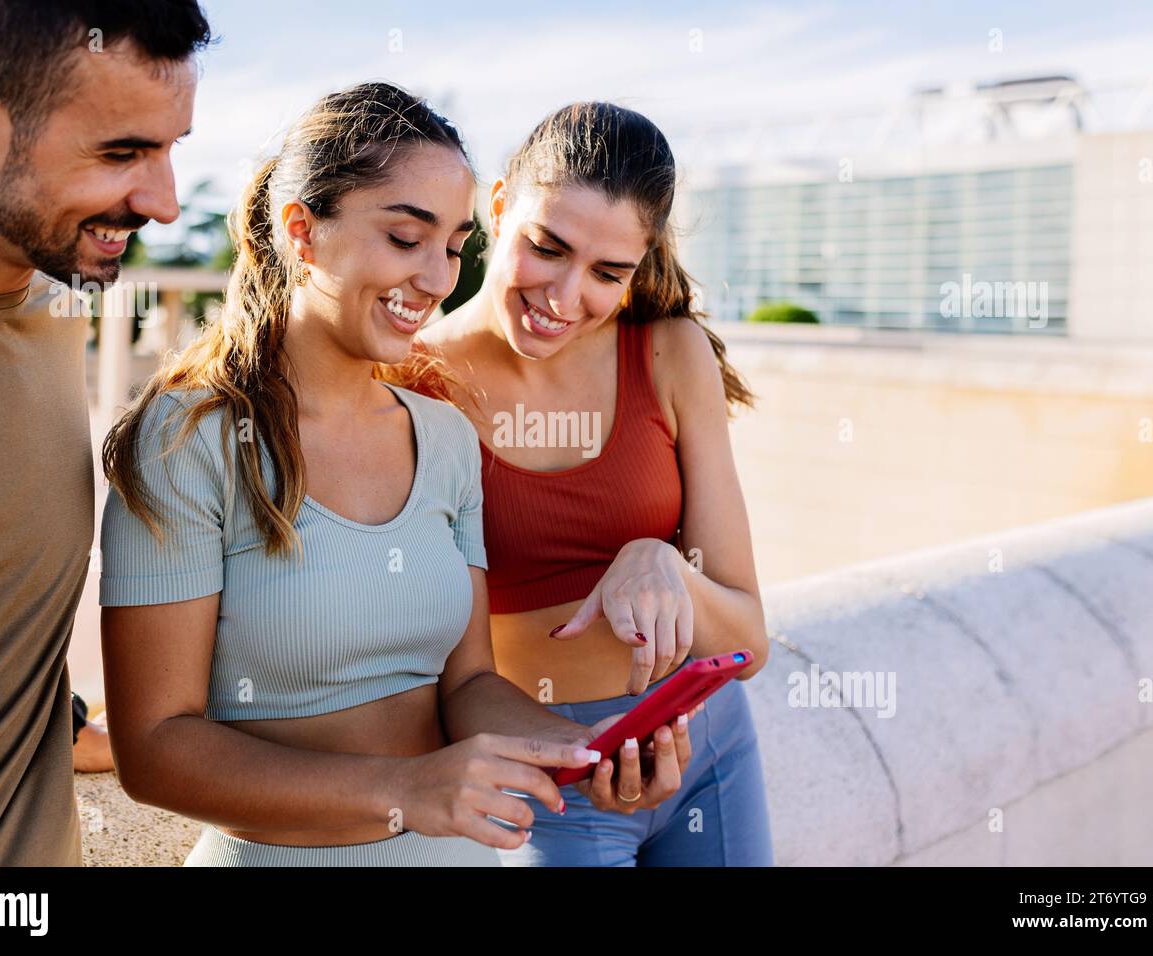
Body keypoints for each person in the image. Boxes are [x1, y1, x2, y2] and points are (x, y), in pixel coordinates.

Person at [97, 83, 700, 867]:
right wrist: (404, 790)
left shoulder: (446, 437)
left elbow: (469, 683)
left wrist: (581, 747)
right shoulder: (187, 440)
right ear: (303, 232)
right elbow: (154, 749)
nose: (438, 279)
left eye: (453, 246)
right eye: (406, 238)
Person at [403, 102, 776, 866]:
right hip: (546, 777)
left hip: (706, 750)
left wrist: (662, 560)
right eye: (548, 248)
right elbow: (442, 668)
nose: (565, 299)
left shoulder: (672, 353)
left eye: (609, 273)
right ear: (499, 205)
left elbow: (745, 641)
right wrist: (581, 753)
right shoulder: (410, 383)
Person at [0, 0, 210, 866]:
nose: (165, 203)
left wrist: (68, 724)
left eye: (171, 147)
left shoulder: (53, 298)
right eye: (121, 153)